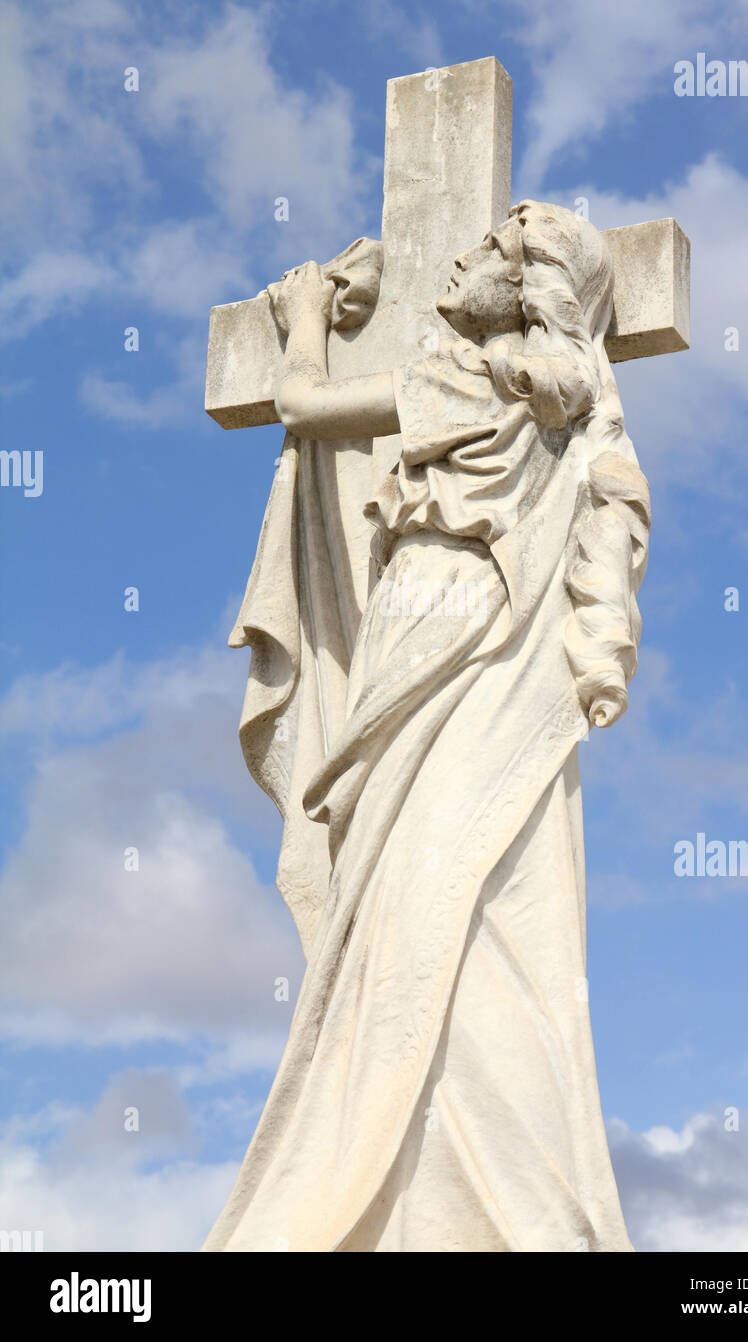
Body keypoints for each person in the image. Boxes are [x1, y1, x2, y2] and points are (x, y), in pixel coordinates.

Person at [204, 201, 650, 1252]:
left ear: (533, 284)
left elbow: (303, 405)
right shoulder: (546, 395)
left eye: (495, 246)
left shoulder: (460, 378)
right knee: (410, 879)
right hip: (443, 639)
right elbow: (611, 505)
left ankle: (450, 1190)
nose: (465, 252)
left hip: (450, 644)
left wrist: (306, 310)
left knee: (444, 881)